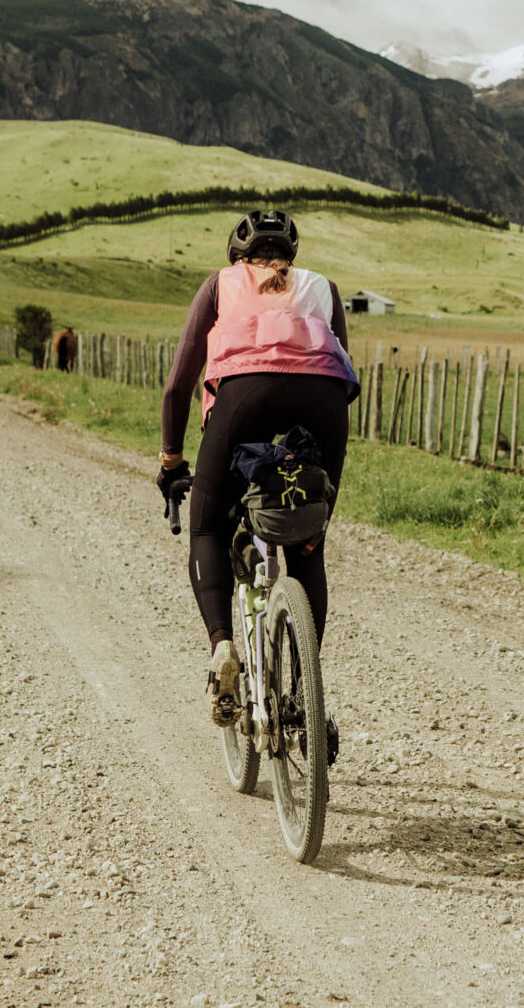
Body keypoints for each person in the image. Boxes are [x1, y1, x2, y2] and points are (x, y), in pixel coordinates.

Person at [158, 209, 356, 727]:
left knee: (206, 525)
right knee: (308, 539)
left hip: (244, 393)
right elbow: (340, 360)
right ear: (290, 256)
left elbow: (180, 382)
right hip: (325, 402)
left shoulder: (220, 285)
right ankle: (303, 687)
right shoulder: (323, 288)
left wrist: (171, 461)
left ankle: (223, 647)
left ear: (237, 254)